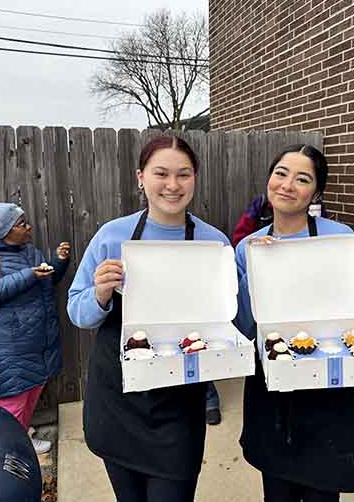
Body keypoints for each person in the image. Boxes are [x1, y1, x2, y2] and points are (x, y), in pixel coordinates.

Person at [67, 135, 230, 502]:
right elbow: (77, 312)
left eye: (183, 175)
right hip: (117, 401)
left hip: (179, 409)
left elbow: (230, 321)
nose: (172, 185)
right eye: (161, 173)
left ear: (195, 179)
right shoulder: (112, 236)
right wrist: (100, 293)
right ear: (141, 177)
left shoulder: (213, 244)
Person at [235, 144, 354, 502]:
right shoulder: (248, 247)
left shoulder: (340, 239)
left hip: (329, 390)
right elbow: (242, 326)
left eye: (302, 179)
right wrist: (258, 274)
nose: (287, 185)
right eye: (281, 174)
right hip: (272, 390)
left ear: (315, 192)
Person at [0, 199, 70, 454]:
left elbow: (45, 282)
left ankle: (22, 435)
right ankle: (10, 452)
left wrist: (58, 261)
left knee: (31, 391)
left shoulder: (28, 251)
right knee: (12, 400)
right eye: (22, 224)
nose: (29, 227)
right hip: (6, 345)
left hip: (35, 340)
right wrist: (28, 275)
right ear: (4, 231)